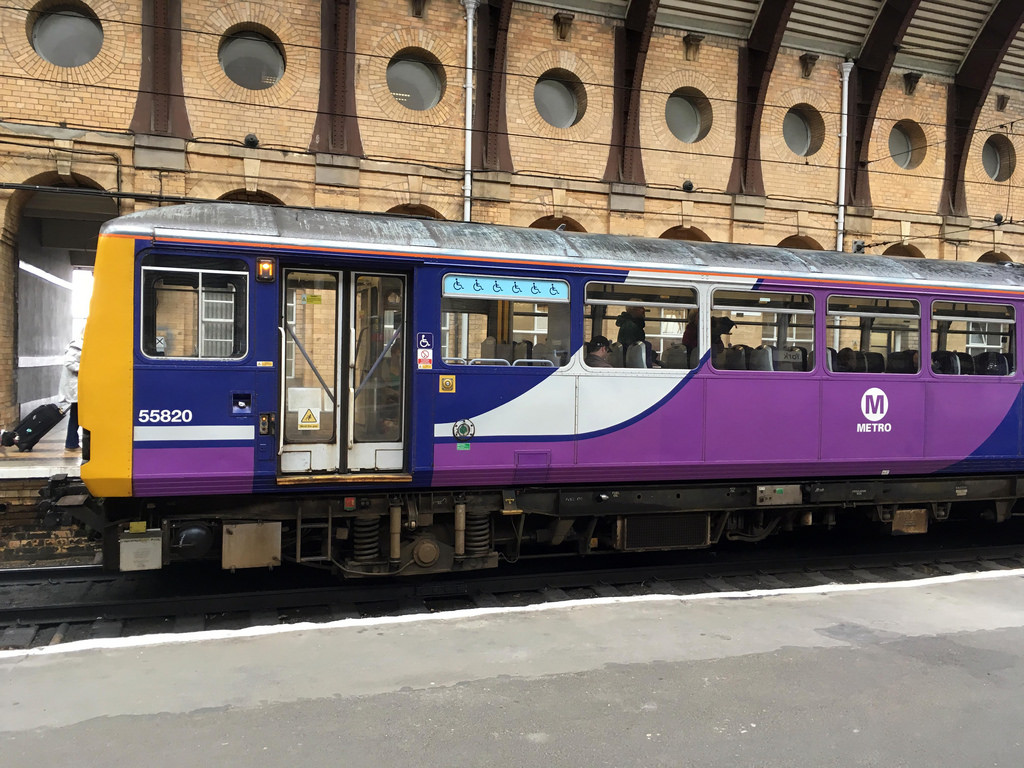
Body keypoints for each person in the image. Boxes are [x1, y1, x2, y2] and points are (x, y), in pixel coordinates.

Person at [59, 336, 82, 450]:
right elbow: (69, 363)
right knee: (76, 415)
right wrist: (85, 368)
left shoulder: (78, 345)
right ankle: (71, 443)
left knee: (76, 415)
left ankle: (72, 442)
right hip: (76, 388)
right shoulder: (76, 346)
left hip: (78, 388)